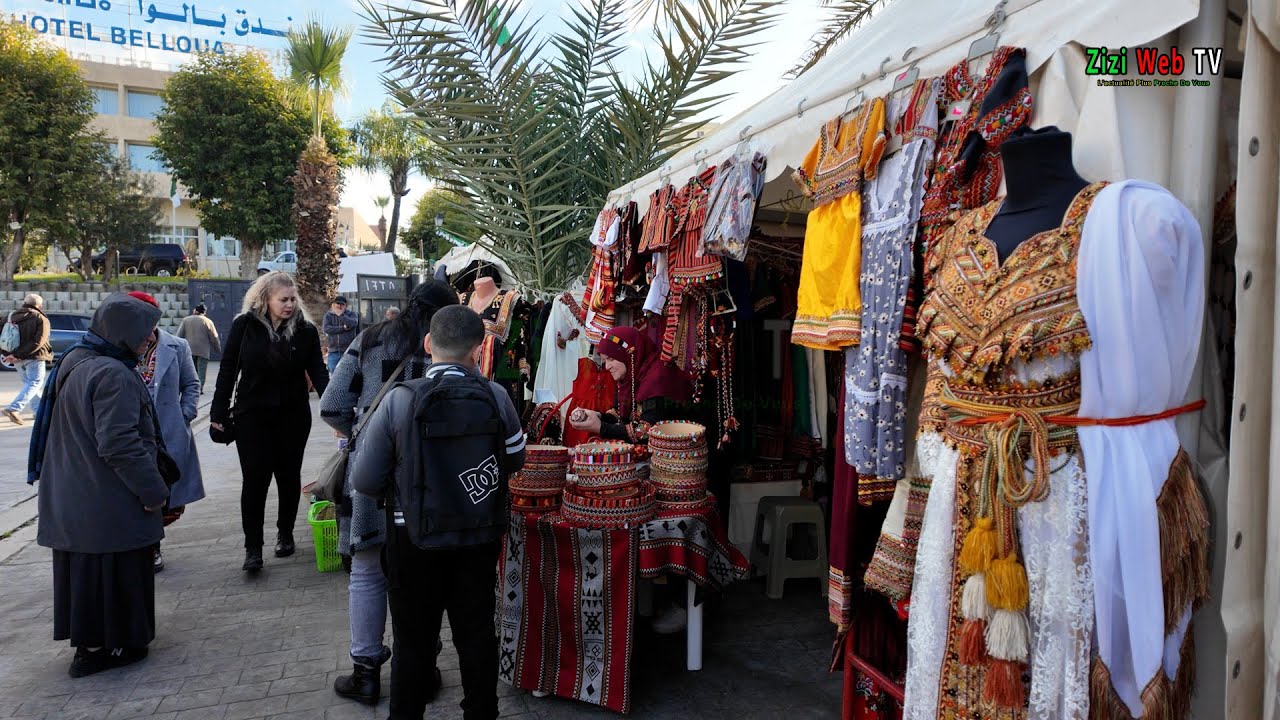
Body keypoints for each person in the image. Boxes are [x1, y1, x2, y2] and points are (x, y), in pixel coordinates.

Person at [352, 305, 526, 720]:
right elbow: (515, 459)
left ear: (428, 344)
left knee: (412, 641)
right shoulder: (495, 395)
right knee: (477, 634)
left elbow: (364, 479)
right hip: (478, 535)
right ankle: (481, 713)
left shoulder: (399, 400)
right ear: (479, 347)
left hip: (412, 539)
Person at [319, 280, 459, 705]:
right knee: (423, 573)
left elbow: (332, 404)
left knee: (366, 570)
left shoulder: (369, 339)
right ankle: (423, 668)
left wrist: (366, 434)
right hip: (430, 475)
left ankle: (365, 674)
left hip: (372, 472)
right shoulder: (448, 349)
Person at [28, 294, 167, 678]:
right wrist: (153, 492)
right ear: (122, 332)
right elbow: (120, 445)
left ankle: (92, 647)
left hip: (78, 495)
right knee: (113, 574)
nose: (149, 338)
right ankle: (111, 647)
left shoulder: (77, 359)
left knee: (88, 577)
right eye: (144, 331)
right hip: (105, 499)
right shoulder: (114, 374)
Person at [569, 325, 694, 634]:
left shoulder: (657, 380)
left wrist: (601, 428)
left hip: (678, 476)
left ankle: (680, 604)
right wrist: (597, 417)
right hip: (658, 470)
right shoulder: (635, 378)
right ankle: (648, 601)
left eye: (611, 359)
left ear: (628, 353)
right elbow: (626, 418)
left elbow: (649, 431)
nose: (607, 366)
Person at [211, 271, 329, 572]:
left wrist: (333, 408)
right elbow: (227, 370)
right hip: (252, 415)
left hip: (293, 415)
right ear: (265, 299)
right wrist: (217, 414)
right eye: (283, 300)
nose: (289, 305)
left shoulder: (304, 330)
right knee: (255, 480)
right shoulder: (244, 326)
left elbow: (319, 371)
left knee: (288, 477)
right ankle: (253, 548)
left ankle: (285, 533)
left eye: (292, 299)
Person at [128, 292, 204, 573]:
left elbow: (191, 385)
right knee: (137, 491)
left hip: (168, 434)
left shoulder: (177, 345)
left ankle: (153, 547)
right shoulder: (119, 349)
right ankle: (145, 547)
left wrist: (183, 416)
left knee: (163, 494)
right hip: (133, 435)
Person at [4, 293, 52, 425]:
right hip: (34, 357)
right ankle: (14, 408)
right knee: (35, 382)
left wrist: (9, 354)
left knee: (30, 386)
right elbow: (39, 341)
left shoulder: (11, 316)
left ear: (24, 302)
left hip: (17, 359)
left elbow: (3, 337)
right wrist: (17, 355)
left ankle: (38, 413)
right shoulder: (41, 318)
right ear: (39, 305)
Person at [175, 303, 221, 392]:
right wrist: (217, 349)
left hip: (189, 350)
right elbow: (214, 337)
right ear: (204, 312)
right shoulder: (208, 321)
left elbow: (179, 335)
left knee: (191, 369)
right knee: (201, 370)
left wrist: (176, 348)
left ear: (195, 310)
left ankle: (192, 387)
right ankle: (199, 388)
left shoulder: (186, 320)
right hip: (203, 351)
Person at [323, 295, 360, 374]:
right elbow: (326, 328)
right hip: (334, 351)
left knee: (349, 374)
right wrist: (343, 328)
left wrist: (341, 315)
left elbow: (353, 323)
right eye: (338, 303)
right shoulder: (328, 315)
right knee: (333, 374)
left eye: (342, 304)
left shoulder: (352, 314)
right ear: (334, 304)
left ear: (346, 306)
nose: (339, 306)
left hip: (348, 351)